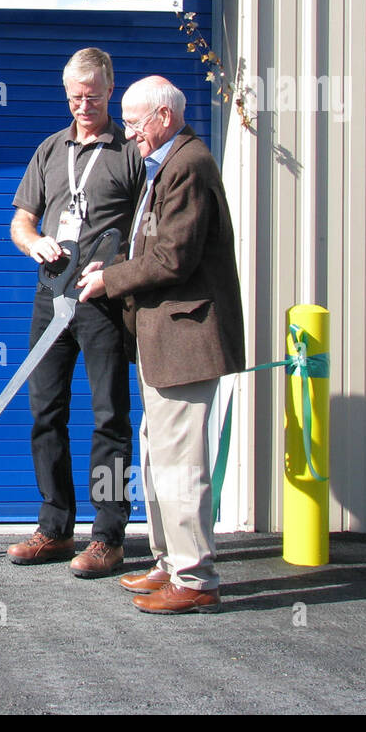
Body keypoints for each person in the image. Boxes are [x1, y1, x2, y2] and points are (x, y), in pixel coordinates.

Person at [77, 76, 245, 613]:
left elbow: (173, 258)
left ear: (165, 118)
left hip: (185, 339)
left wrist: (111, 280)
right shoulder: (166, 165)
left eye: (134, 122)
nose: (129, 135)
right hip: (160, 341)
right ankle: (170, 563)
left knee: (179, 463)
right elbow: (152, 246)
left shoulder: (189, 166)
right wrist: (117, 266)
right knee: (157, 458)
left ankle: (196, 581)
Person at [6, 48, 145, 575]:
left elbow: (147, 227)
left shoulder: (130, 151)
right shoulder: (49, 149)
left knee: (110, 416)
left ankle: (108, 533)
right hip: (52, 295)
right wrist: (34, 242)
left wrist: (120, 272)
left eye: (93, 96)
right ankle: (54, 526)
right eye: (74, 97)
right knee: (46, 411)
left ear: (111, 91)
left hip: (103, 298)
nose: (83, 105)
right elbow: (21, 222)